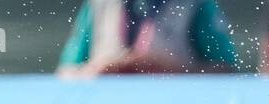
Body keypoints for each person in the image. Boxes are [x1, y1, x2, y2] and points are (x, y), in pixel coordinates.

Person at [56, 0, 239, 76]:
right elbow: (65, 73)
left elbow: (226, 72)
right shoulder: (99, 4)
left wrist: (169, 70)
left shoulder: (195, 4)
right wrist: (99, 71)